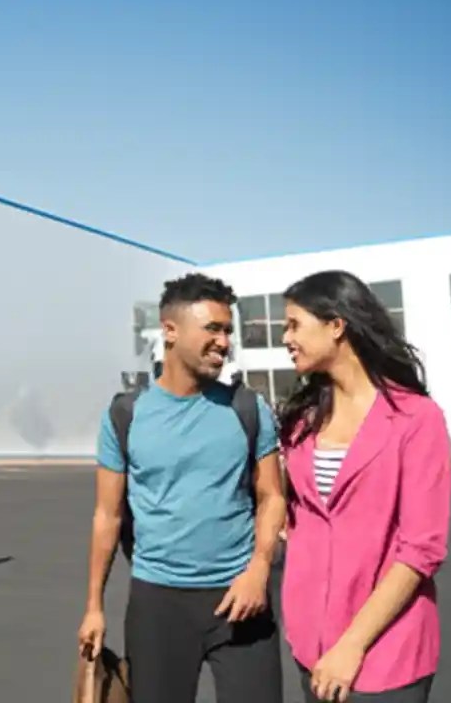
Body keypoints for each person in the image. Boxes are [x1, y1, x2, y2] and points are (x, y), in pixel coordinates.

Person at [78, 273, 287, 703]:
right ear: (170, 331)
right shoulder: (125, 415)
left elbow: (272, 497)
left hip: (241, 599)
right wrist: (94, 607)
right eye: (212, 328)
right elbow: (108, 515)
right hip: (158, 604)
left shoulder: (248, 409)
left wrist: (259, 569)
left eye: (228, 330)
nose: (224, 342)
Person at [276, 270, 451, 702]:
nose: (285, 337)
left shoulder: (416, 419)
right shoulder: (302, 423)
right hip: (310, 647)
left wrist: (352, 645)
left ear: (337, 325)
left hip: (385, 654)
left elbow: (421, 549)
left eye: (295, 324)